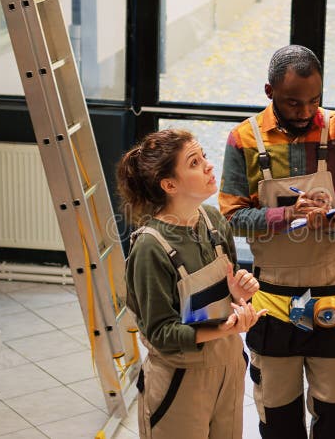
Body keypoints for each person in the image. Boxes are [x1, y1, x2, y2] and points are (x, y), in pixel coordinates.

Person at [218, 45, 335, 439]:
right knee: (277, 409)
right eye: (293, 102)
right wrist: (286, 215)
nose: (305, 111)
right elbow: (232, 218)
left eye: (314, 100)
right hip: (272, 294)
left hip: (330, 290)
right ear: (270, 92)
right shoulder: (243, 139)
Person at [116, 129, 267, 439]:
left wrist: (239, 296)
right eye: (194, 162)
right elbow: (161, 333)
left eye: (204, 157)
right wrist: (223, 328)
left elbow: (224, 293)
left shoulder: (214, 221)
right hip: (180, 379)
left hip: (228, 367)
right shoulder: (150, 247)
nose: (209, 166)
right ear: (169, 185)